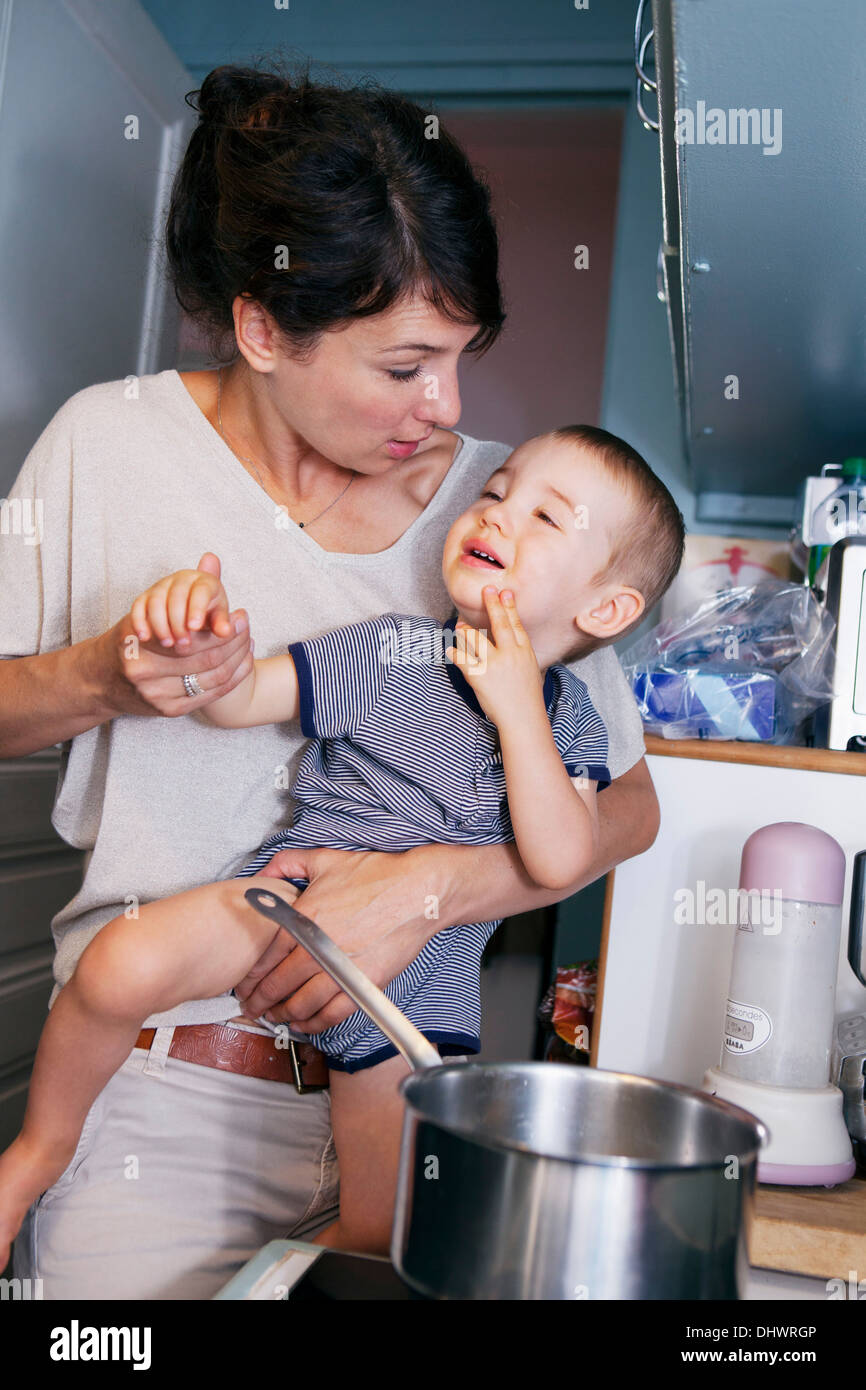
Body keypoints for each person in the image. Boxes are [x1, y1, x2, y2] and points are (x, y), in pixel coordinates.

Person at [0, 63, 661, 1299]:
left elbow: (622, 809)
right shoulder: (105, 445)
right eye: (404, 365)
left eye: (462, 357)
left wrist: (421, 894)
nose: (450, 409)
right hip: (161, 1103)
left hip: (401, 1098)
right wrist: (105, 675)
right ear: (263, 328)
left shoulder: (513, 518)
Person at [0, 426, 684, 1265]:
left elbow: (559, 858)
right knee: (114, 967)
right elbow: (242, 697)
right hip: (291, 906)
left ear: (605, 609)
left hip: (417, 999)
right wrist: (203, 648)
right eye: (498, 491)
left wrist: (516, 710)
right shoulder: (394, 652)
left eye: (547, 517)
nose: (498, 516)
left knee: (374, 1233)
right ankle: (36, 1154)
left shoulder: (569, 718)